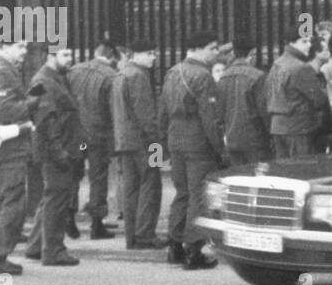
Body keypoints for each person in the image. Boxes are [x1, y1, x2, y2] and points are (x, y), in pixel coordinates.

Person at [161, 30, 227, 269]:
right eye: (212, 47)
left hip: (175, 139)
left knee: (181, 193)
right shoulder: (203, 76)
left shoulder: (172, 72)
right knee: (198, 194)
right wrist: (219, 148)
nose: (216, 52)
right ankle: (194, 249)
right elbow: (209, 118)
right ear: (199, 49)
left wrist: (163, 143)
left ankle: (174, 245)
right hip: (197, 142)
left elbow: (162, 112)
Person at [23, 44, 84, 266]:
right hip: (56, 150)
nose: (70, 58)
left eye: (71, 53)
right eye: (65, 55)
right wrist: (60, 153)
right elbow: (46, 121)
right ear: (50, 56)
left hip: (62, 147)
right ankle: (53, 250)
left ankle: (36, 245)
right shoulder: (46, 81)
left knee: (51, 198)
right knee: (57, 201)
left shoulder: (57, 78)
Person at [0, 39, 35, 274]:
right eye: (20, 47)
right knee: (13, 202)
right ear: (3, 47)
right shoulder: (2, 71)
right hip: (8, 148)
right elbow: (4, 110)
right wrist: (32, 103)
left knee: (2, 200)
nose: (24, 52)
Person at [111, 39, 165, 250]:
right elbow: (146, 115)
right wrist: (157, 144)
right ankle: (145, 235)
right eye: (150, 53)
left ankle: (132, 237)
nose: (154, 57)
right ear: (138, 55)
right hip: (145, 141)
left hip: (124, 141)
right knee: (152, 184)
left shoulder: (121, 74)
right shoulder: (139, 76)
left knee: (131, 188)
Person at [67, 43, 121, 240]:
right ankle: (96, 224)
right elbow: (114, 110)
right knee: (98, 177)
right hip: (98, 137)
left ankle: (69, 218)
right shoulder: (111, 75)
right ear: (112, 57)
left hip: (78, 137)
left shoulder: (74, 70)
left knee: (74, 173)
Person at [266, 25, 331, 159]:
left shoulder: (277, 63)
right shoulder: (300, 67)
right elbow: (319, 99)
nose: (309, 45)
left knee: (283, 171)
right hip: (298, 127)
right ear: (291, 43)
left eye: (309, 41)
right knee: (301, 168)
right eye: (304, 41)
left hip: (277, 126)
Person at [217, 41, 270, 167]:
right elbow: (264, 110)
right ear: (252, 54)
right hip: (255, 139)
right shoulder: (258, 76)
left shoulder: (223, 77)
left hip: (232, 138)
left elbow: (219, 112)